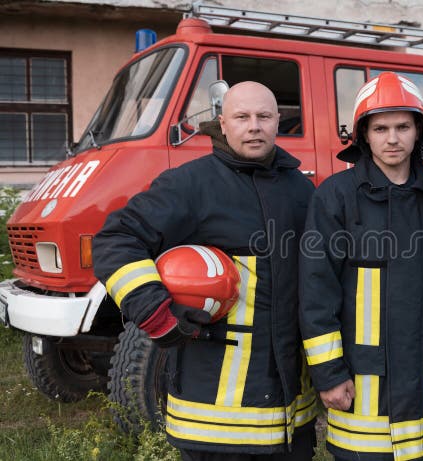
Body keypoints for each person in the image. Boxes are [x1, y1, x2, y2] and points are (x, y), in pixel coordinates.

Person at [93, 81, 318, 460]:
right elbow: (116, 239)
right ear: (222, 123)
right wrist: (153, 312)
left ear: (279, 121)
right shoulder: (189, 184)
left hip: (289, 417)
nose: (254, 126)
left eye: (264, 116)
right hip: (213, 420)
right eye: (241, 117)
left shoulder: (301, 190)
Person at [298, 72, 423, 461]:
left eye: (403, 126)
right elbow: (317, 292)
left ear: (420, 131)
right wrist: (329, 374)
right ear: (363, 135)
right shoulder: (335, 197)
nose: (393, 138)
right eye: (380, 128)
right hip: (363, 398)